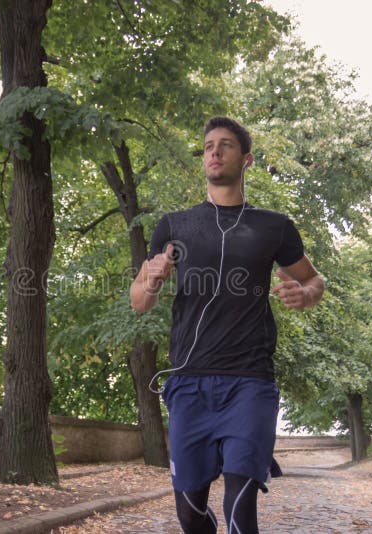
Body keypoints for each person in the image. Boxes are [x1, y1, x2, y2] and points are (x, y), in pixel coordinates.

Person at [129, 116, 325, 534]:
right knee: (190, 514)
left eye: (226, 145)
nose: (214, 152)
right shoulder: (173, 226)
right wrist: (152, 279)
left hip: (250, 381)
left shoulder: (274, 226)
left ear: (247, 158)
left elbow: (313, 278)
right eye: (207, 147)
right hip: (188, 381)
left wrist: (304, 294)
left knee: (241, 509)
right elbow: (140, 303)